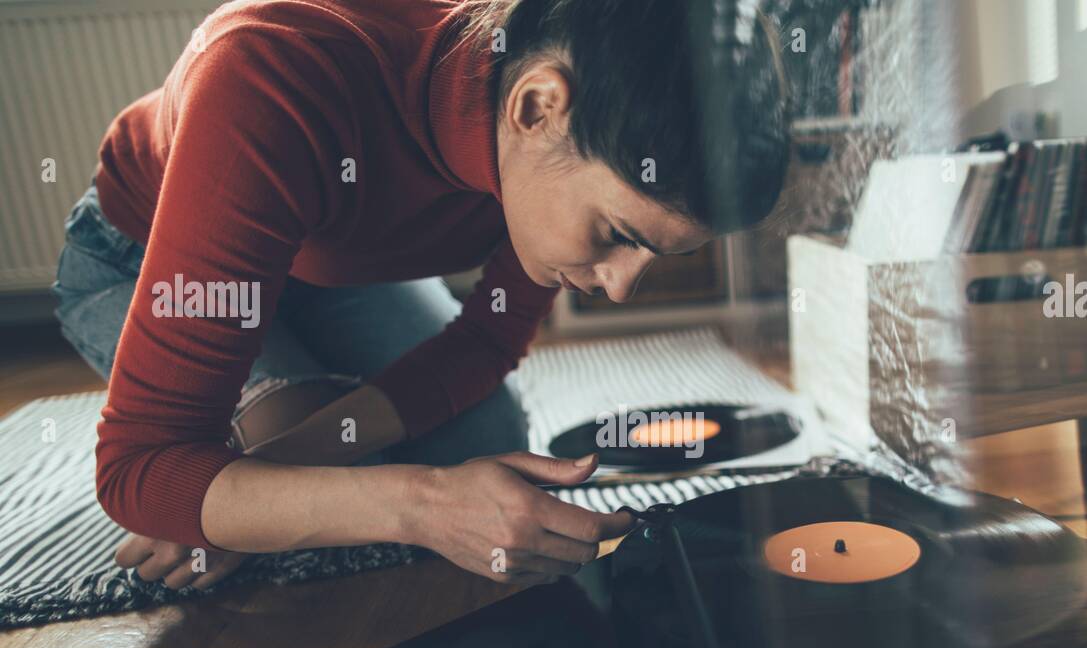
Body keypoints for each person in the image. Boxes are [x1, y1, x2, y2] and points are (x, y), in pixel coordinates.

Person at [51, 0, 790, 591]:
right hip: (138, 254)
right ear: (537, 107)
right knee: (296, 434)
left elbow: (484, 344)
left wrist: (249, 499)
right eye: (617, 233)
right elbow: (142, 469)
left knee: (483, 442)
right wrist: (424, 506)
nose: (621, 286)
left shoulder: (531, 128)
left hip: (331, 268)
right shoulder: (268, 77)